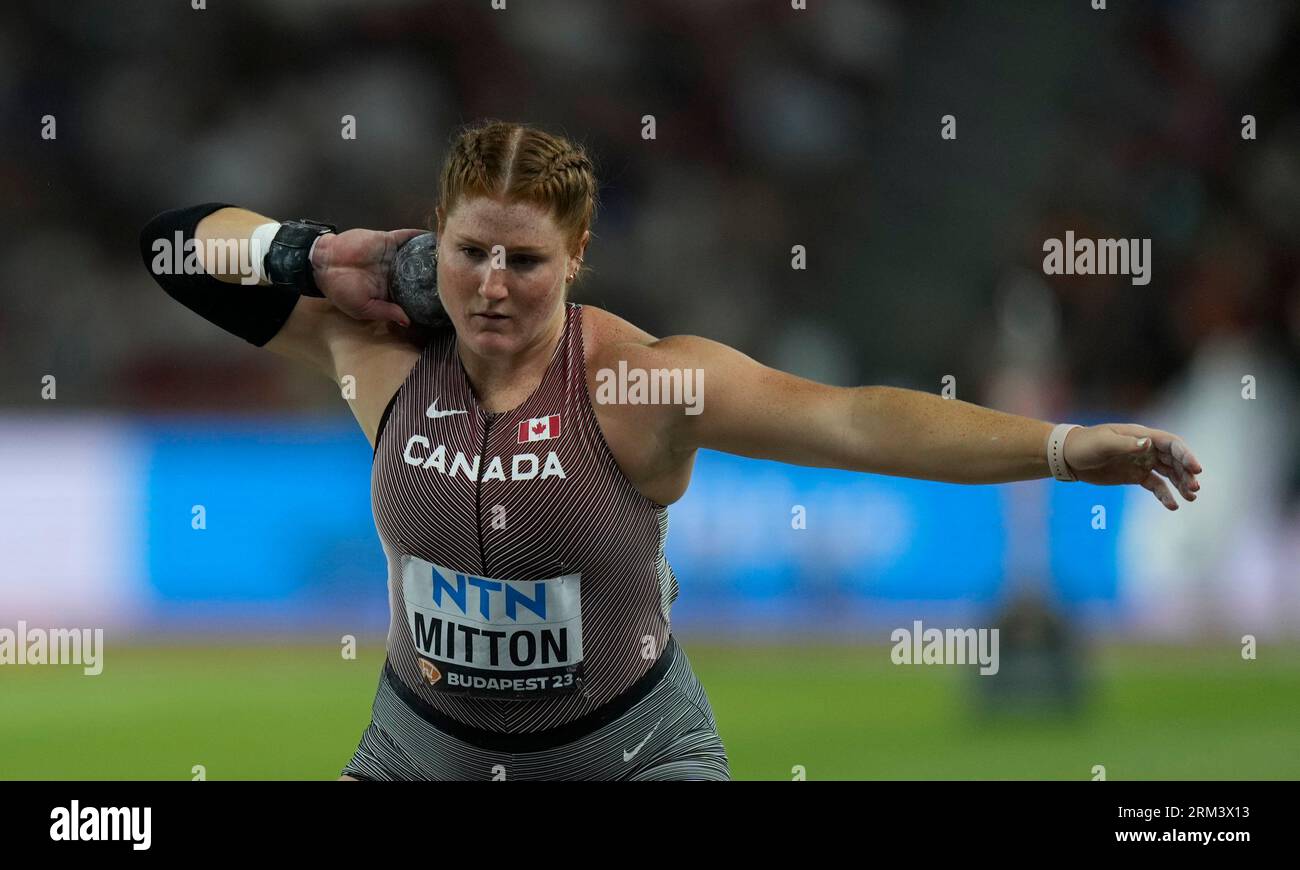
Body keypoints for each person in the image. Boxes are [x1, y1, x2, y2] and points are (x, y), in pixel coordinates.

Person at [139, 119, 1203, 781]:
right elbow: (174, 251)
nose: (494, 286)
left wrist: (1063, 448)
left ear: (580, 256)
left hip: (629, 756)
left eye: (526, 259)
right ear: (430, 246)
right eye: (468, 254)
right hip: (418, 754)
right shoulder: (375, 358)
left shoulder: (638, 385)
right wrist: (314, 251)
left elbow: (852, 419)